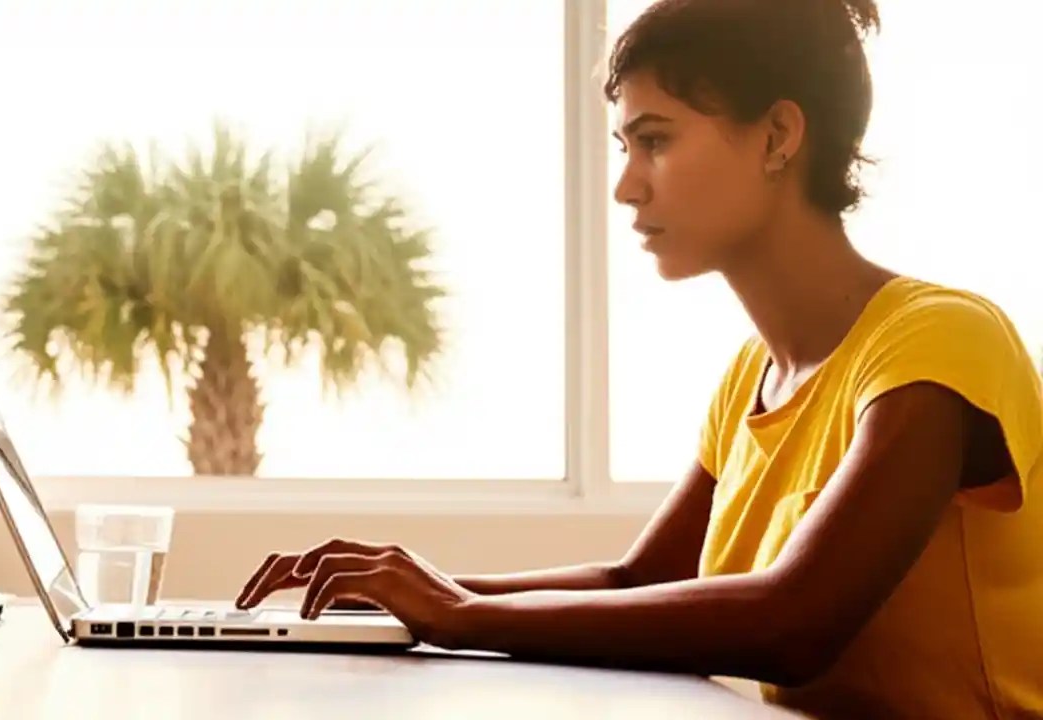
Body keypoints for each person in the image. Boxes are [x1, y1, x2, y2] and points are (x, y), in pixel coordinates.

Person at [234, 0, 1043, 717]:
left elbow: (795, 621)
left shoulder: (938, 340)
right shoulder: (751, 379)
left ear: (778, 136)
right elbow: (637, 583)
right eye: (625, 145)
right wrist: (418, 594)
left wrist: (459, 615)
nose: (625, 186)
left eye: (655, 141)